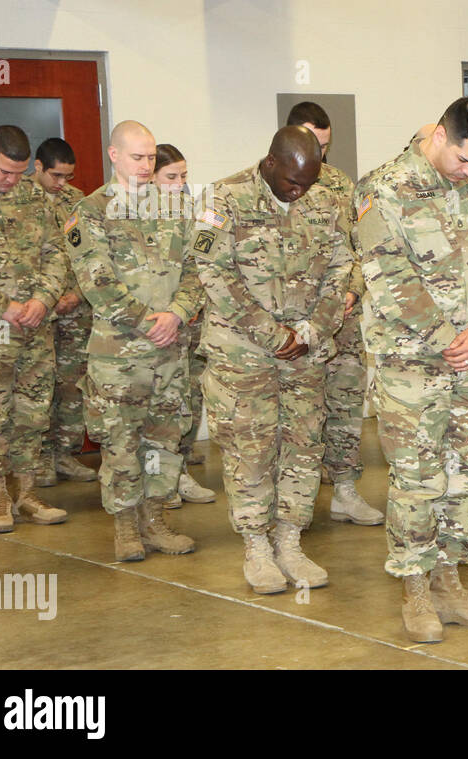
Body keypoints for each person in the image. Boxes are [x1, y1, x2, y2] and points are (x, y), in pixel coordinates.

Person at [354, 97, 468, 643]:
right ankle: (415, 592)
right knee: (418, 481)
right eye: (464, 160)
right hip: (412, 363)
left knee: (467, 476)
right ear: (440, 135)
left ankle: (450, 582)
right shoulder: (384, 187)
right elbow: (386, 274)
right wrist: (447, 339)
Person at [195, 126, 353, 593]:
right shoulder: (224, 199)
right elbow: (214, 272)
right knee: (251, 449)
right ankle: (257, 547)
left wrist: (315, 328)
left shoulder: (324, 201)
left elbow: (343, 265)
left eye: (307, 183)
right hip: (245, 356)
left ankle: (290, 541)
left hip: (305, 352)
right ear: (269, 164)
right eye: (291, 184)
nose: (299, 192)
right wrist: (270, 333)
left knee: (303, 447)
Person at [68, 121, 202, 561]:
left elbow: (198, 268)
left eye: (150, 158)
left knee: (164, 439)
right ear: (114, 156)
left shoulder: (174, 207)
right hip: (119, 353)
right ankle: (126, 527)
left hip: (169, 350)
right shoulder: (90, 211)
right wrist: (148, 321)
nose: (146, 166)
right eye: (137, 157)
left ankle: (156, 520)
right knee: (121, 442)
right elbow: (96, 280)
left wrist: (178, 313)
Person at [0, 125, 69, 532]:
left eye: (19, 173)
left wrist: (42, 300)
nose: (11, 181)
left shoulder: (35, 197)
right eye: (4, 171)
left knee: (32, 415)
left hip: (34, 328)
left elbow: (57, 255)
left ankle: (27, 494)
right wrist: (4, 306)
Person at [286, 101, 383, 527]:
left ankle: (344, 490)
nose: (320, 155)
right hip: (292, 329)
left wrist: (352, 290)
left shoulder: (342, 185)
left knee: (344, 407)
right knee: (294, 419)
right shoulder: (272, 184)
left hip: (341, 324)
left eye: (326, 146)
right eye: (312, 144)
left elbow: (363, 249)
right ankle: (289, 507)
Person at [151, 143, 216, 507]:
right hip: (159, 327)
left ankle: (180, 471)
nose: (179, 184)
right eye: (170, 177)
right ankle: (160, 478)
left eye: (184, 177)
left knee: (189, 398)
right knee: (162, 405)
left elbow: (207, 258)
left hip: (193, 322)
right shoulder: (137, 218)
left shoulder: (196, 212)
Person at [32, 137, 98, 486]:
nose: (62, 183)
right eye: (56, 176)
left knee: (73, 385)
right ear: (38, 168)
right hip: (38, 312)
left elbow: (86, 252)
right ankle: (39, 458)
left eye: (68, 176)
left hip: (74, 310)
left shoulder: (78, 202)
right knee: (39, 386)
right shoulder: (21, 200)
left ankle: (66, 455)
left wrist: (75, 291)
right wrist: (47, 296)